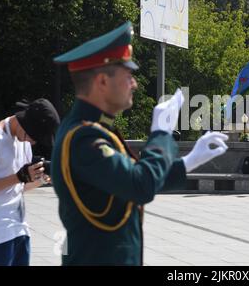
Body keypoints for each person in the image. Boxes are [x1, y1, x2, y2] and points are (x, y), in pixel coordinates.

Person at [51, 21, 228, 266]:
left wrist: (187, 163)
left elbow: (131, 180)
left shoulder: (93, 130)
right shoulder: (84, 138)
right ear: (102, 81)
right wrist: (161, 135)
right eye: (128, 75)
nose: (134, 83)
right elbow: (139, 186)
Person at [0, 98, 60, 266]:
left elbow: (17, 187)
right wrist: (18, 177)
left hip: (19, 230)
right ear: (24, 124)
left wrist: (38, 179)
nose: (32, 142)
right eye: (33, 137)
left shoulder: (22, 142)